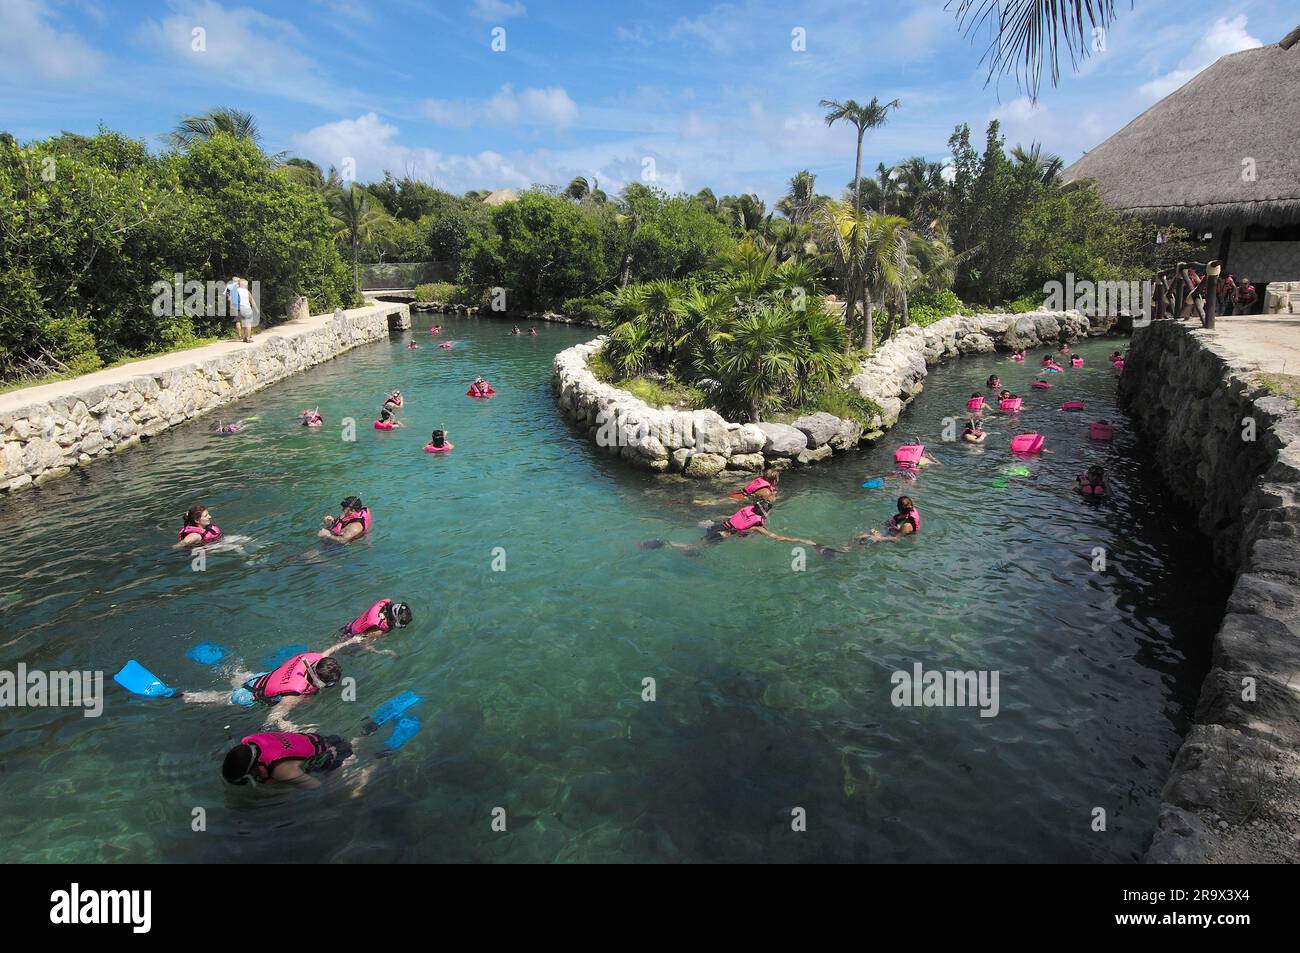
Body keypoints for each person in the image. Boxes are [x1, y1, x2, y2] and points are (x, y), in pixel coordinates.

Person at [640, 497, 820, 550]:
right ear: (765, 513)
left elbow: (729, 516)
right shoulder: (757, 525)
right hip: (721, 534)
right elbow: (777, 538)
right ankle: (664, 544)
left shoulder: (746, 509)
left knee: (695, 529)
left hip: (716, 525)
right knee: (692, 548)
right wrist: (804, 541)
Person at [221, 731, 354, 789]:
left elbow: (316, 787)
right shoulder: (252, 739)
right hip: (319, 738)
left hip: (335, 756)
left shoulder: (281, 771)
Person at [237, 278, 256, 343]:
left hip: (240, 309)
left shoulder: (236, 291)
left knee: (244, 324)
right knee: (248, 324)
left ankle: (245, 337)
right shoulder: (246, 291)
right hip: (247, 308)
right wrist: (255, 308)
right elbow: (251, 300)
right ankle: (248, 338)